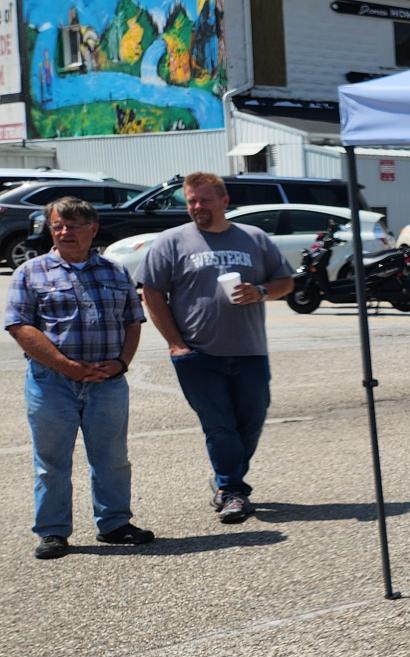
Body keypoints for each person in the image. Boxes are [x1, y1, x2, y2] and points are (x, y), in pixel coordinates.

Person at [140, 172, 294, 525]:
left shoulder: (254, 238)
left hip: (250, 350)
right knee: (220, 425)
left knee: (251, 421)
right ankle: (231, 490)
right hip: (197, 354)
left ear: (224, 202)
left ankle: (227, 477)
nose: (196, 207)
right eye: (191, 201)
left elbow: (285, 281)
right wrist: (176, 344)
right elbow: (151, 293)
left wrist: (262, 292)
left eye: (204, 200)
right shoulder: (171, 241)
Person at [4, 196, 152, 558]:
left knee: (112, 457)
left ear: (93, 229)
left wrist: (121, 363)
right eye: (58, 225)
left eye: (72, 225)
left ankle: (115, 523)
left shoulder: (116, 271)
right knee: (51, 461)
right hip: (52, 383)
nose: (65, 232)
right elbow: (19, 326)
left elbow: (133, 321)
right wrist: (65, 366)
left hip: (108, 383)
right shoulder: (31, 272)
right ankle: (53, 532)